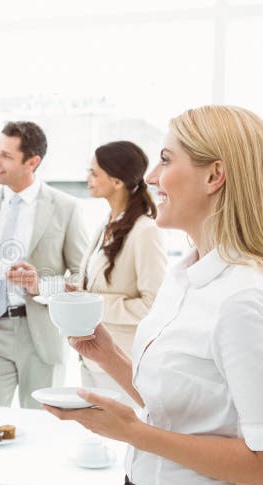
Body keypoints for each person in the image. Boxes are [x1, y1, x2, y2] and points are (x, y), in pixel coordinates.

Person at [44, 105, 263, 485]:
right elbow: (182, 407)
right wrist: (109, 356)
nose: (153, 178)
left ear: (214, 176)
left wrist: (134, 433)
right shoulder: (186, 278)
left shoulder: (247, 299)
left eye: (165, 159)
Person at [0, 120, 88, 409]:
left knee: (42, 426)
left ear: (32, 162)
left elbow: (82, 279)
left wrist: (38, 284)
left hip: (40, 332)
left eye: (6, 156)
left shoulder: (66, 208)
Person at [77, 141, 166, 394]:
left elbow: (154, 306)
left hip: (123, 362)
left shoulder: (145, 231)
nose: (88, 178)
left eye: (94, 173)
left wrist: (91, 303)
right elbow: (93, 284)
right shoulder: (106, 224)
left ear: (116, 181)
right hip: (92, 361)